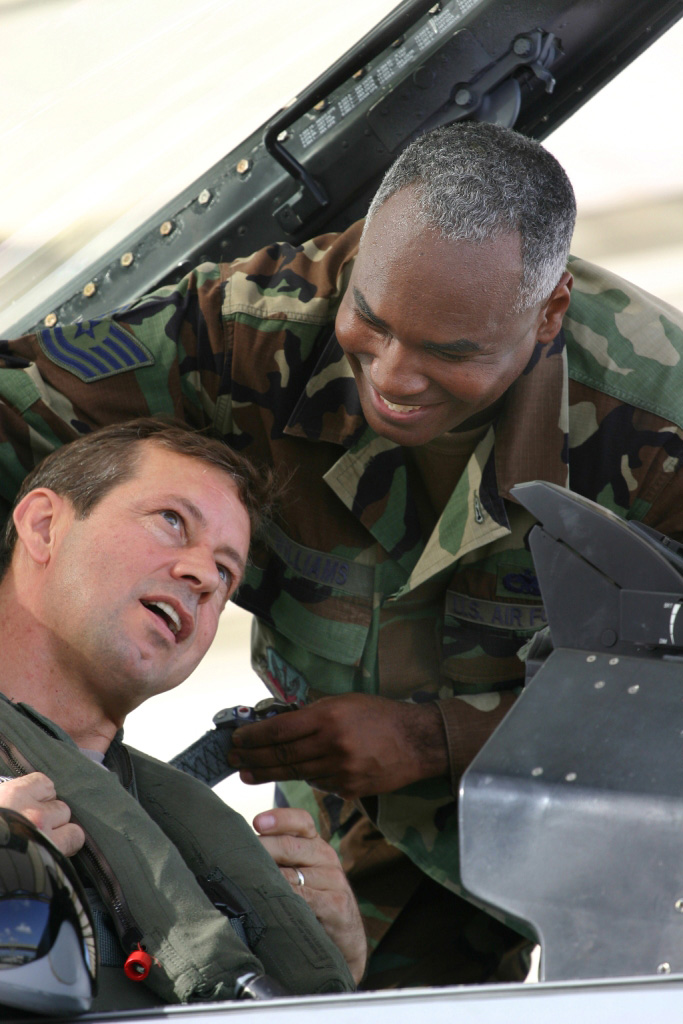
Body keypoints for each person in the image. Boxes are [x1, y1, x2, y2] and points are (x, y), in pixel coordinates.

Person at [2, 120, 683, 986]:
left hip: (613, 847)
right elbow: (13, 421)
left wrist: (439, 737)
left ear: (547, 315)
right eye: (372, 318)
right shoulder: (252, 331)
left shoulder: (658, 426)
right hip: (337, 832)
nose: (394, 377)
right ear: (360, 249)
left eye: (450, 351)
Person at [0, 418, 364, 1012]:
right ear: (44, 527)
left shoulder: (186, 835)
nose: (201, 576)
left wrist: (338, 967)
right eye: (172, 522)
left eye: (227, 573)